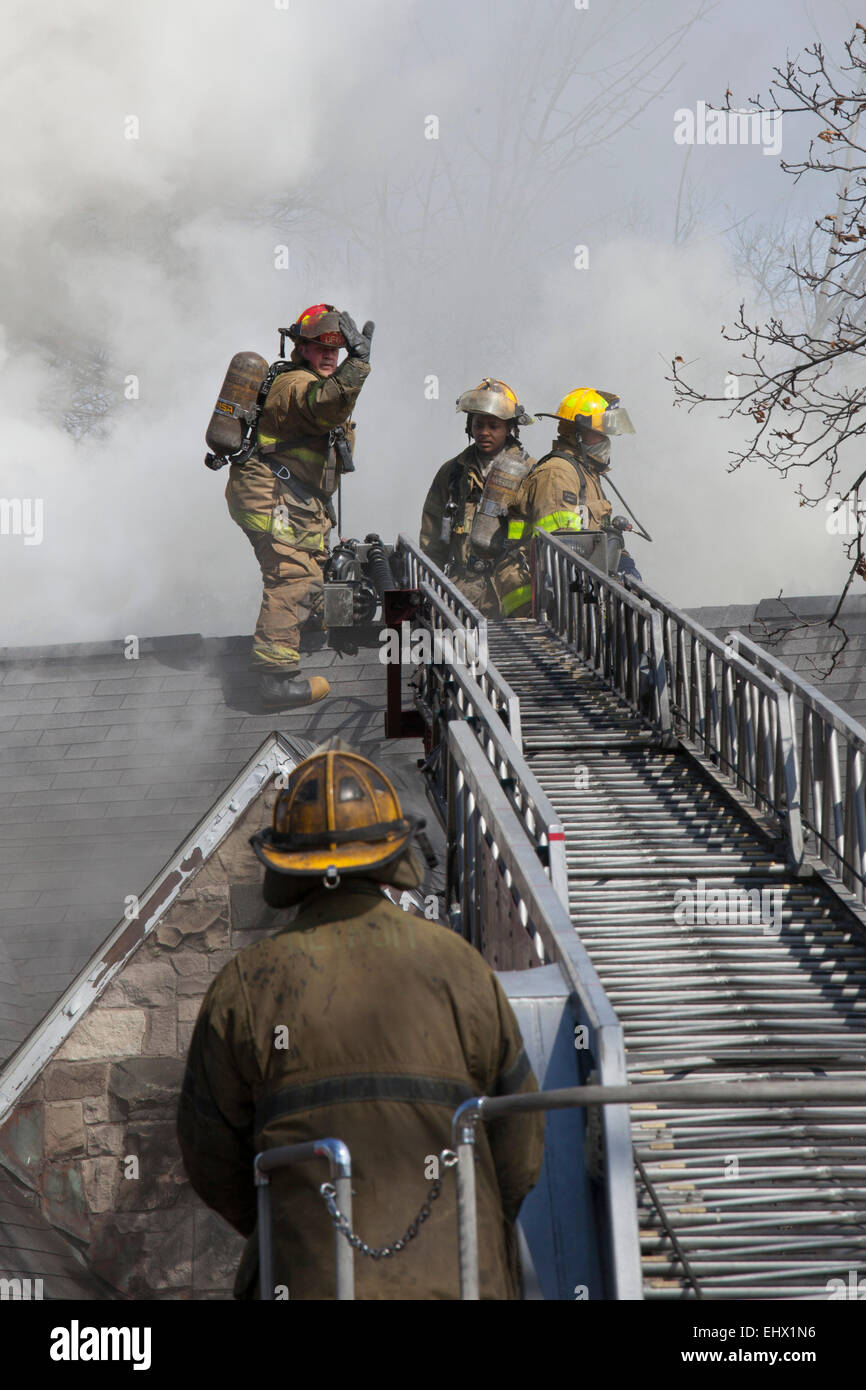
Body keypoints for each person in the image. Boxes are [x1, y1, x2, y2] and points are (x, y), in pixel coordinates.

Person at [177, 742, 544, 1301]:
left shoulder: (243, 988)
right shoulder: (460, 967)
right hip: (465, 1282)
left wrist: (294, 1225)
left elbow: (211, 1161)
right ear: (392, 854)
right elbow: (520, 1142)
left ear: (283, 864)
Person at [225, 305, 374, 709]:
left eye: (338, 348)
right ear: (300, 347)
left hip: (292, 499)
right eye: (320, 346)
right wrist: (358, 365)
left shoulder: (312, 381)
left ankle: (305, 628)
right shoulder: (295, 385)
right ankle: (275, 678)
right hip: (269, 495)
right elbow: (326, 405)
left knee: (310, 570)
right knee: (290, 575)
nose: (330, 354)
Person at [498, 387, 638, 617]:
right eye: (600, 432)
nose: (606, 440)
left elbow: (595, 537)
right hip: (538, 599)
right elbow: (563, 547)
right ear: (578, 432)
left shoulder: (586, 473)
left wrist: (624, 566)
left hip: (572, 595)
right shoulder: (558, 473)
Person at [419, 379, 535, 616]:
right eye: (478, 424)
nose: (484, 432)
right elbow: (431, 539)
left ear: (510, 428)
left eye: (493, 426)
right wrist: (429, 588)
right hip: (463, 592)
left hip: (514, 592)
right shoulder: (452, 472)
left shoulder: (530, 472)